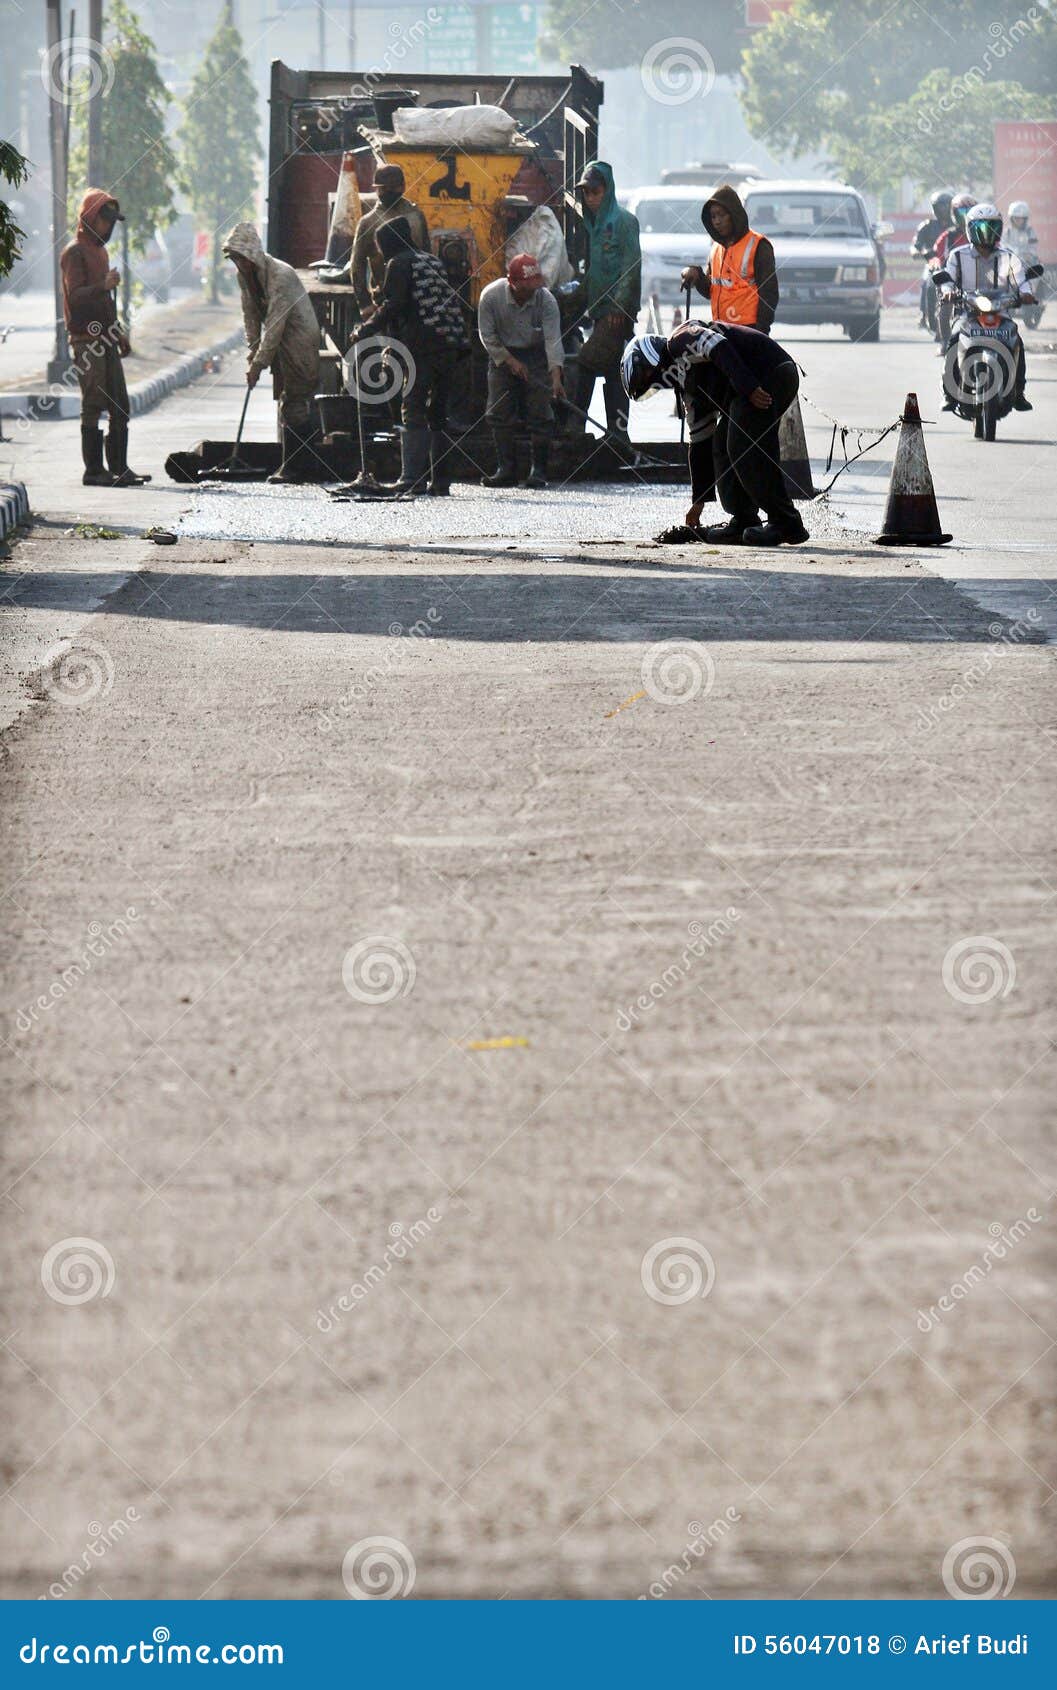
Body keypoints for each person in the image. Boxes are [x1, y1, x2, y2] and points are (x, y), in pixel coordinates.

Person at [622, 321, 809, 547]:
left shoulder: (680, 340)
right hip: (749, 390)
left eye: (646, 376)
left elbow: (719, 346)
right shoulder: (688, 389)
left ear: (648, 355)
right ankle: (743, 519)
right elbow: (700, 441)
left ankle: (786, 522)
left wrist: (748, 387)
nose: (655, 381)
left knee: (742, 443)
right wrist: (699, 501)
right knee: (720, 445)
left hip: (771, 372)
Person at [349, 216, 471, 496]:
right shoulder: (431, 260)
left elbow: (394, 305)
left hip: (425, 345)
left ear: (389, 242)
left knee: (413, 406)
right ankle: (440, 482)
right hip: (452, 343)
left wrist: (366, 329)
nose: (380, 253)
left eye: (380, 246)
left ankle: (411, 478)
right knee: (438, 413)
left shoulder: (399, 263)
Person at [60, 189, 150, 487]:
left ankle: (120, 468)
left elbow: (105, 301)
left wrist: (118, 331)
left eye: (111, 221)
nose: (108, 226)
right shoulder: (74, 252)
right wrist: (103, 284)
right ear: (89, 218)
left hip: (106, 338)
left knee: (120, 405)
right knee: (93, 403)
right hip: (86, 340)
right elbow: (75, 298)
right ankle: (94, 471)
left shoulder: (100, 251)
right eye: (104, 219)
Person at [224, 222, 322, 483]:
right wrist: (253, 352)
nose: (238, 264)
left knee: (296, 399)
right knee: (286, 401)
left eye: (241, 258)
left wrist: (259, 364)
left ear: (252, 255)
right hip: (280, 340)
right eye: (234, 259)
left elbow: (276, 323)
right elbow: (251, 316)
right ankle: (296, 465)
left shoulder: (280, 275)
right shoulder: (245, 277)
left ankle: (300, 467)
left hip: (299, 338)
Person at [935, 201, 1036, 412]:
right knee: (954, 339)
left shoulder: (1008, 256)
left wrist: (1026, 293)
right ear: (970, 229)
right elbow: (948, 279)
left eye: (992, 227)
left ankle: (1019, 392)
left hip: (1000, 313)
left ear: (999, 230)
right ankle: (948, 392)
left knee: (1016, 339)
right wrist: (947, 291)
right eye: (980, 227)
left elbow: (1020, 279)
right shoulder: (957, 256)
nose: (986, 233)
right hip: (967, 313)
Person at [478, 254, 565, 489]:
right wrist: (510, 361)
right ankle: (506, 469)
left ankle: (539, 471)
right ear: (512, 283)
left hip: (536, 356)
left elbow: (553, 340)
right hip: (502, 354)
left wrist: (555, 376)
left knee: (540, 412)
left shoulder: (545, 300)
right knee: (498, 411)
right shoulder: (490, 297)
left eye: (535, 287)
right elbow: (487, 336)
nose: (532, 292)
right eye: (527, 289)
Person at [573, 162, 640, 443]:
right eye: (586, 193)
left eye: (595, 191)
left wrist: (619, 306)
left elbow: (630, 265)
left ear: (607, 190)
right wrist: (574, 299)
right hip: (601, 311)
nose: (590, 198)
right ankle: (618, 433)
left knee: (586, 363)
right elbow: (595, 272)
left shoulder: (623, 221)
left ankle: (574, 427)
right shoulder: (595, 227)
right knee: (614, 371)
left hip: (616, 313)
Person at [680, 184, 779, 332]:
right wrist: (696, 275)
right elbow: (710, 290)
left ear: (734, 215)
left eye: (721, 215)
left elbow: (769, 293)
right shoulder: (716, 248)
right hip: (720, 330)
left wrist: (761, 331)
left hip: (750, 330)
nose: (717, 221)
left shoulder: (758, 245)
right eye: (713, 217)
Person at [350, 165, 430, 313]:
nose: (389, 192)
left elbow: (427, 255)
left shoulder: (417, 216)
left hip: (416, 299)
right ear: (377, 189)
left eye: (393, 188)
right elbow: (357, 266)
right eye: (384, 188)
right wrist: (365, 304)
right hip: (383, 301)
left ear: (402, 187)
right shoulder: (368, 222)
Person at [934, 192, 975, 350]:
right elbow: (938, 257)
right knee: (945, 309)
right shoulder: (947, 237)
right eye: (962, 213)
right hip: (953, 281)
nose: (965, 218)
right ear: (954, 214)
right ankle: (945, 342)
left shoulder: (983, 234)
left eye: (969, 213)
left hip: (978, 281)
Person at [911, 188, 954, 329]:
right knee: (926, 284)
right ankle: (924, 315)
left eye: (946, 206)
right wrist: (920, 252)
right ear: (934, 208)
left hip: (954, 264)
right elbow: (916, 245)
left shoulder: (957, 226)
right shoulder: (927, 226)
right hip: (933, 264)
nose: (943, 210)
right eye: (940, 206)